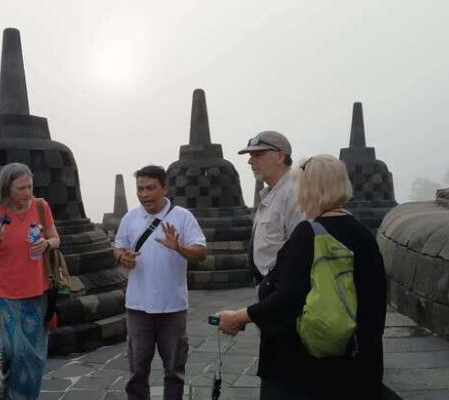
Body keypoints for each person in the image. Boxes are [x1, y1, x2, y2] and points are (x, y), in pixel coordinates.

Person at [217, 154, 387, 399]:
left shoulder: (309, 234)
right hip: (358, 361)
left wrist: (240, 316)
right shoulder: (363, 234)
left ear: (308, 190)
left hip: (305, 369)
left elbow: (286, 298)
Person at [114, 165, 207, 400]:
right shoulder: (131, 217)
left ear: (164, 188)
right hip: (137, 307)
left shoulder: (182, 217)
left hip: (172, 307)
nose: (144, 194)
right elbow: (118, 246)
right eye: (140, 189)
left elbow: (201, 252)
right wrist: (122, 256)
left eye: (150, 188)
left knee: (174, 370)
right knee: (137, 370)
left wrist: (179, 247)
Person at [0, 162, 61, 400]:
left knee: (33, 356)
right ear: (6, 188)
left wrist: (47, 244)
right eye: (20, 188)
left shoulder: (41, 207)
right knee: (14, 351)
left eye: (29, 187)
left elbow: (55, 238)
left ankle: (13, 396)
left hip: (37, 292)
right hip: (1, 294)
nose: (26, 193)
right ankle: (8, 394)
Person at [238, 130, 304, 282]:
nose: (250, 161)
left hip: (284, 289)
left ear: (280, 157)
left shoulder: (294, 194)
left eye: (258, 155)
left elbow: (302, 249)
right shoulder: (270, 195)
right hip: (269, 287)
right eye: (250, 156)